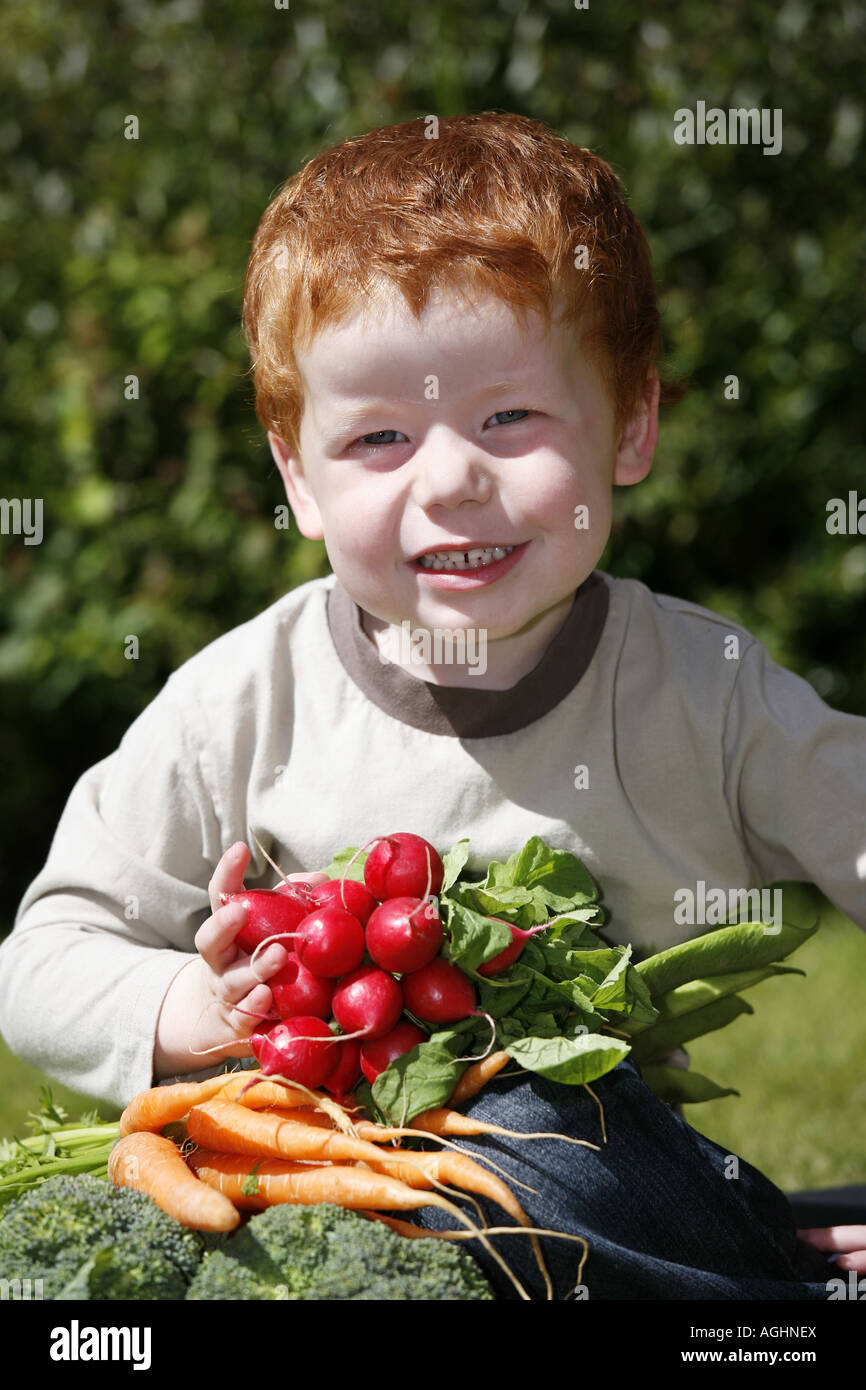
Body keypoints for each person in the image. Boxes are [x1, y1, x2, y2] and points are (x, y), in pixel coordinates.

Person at [0, 112, 862, 1298]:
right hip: (315, 1179)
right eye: (379, 436)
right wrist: (183, 1004)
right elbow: (40, 955)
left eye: (508, 417)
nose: (451, 475)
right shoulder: (242, 700)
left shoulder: (700, 693)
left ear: (632, 421)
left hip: (578, 1184)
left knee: (538, 1113)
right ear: (296, 475)